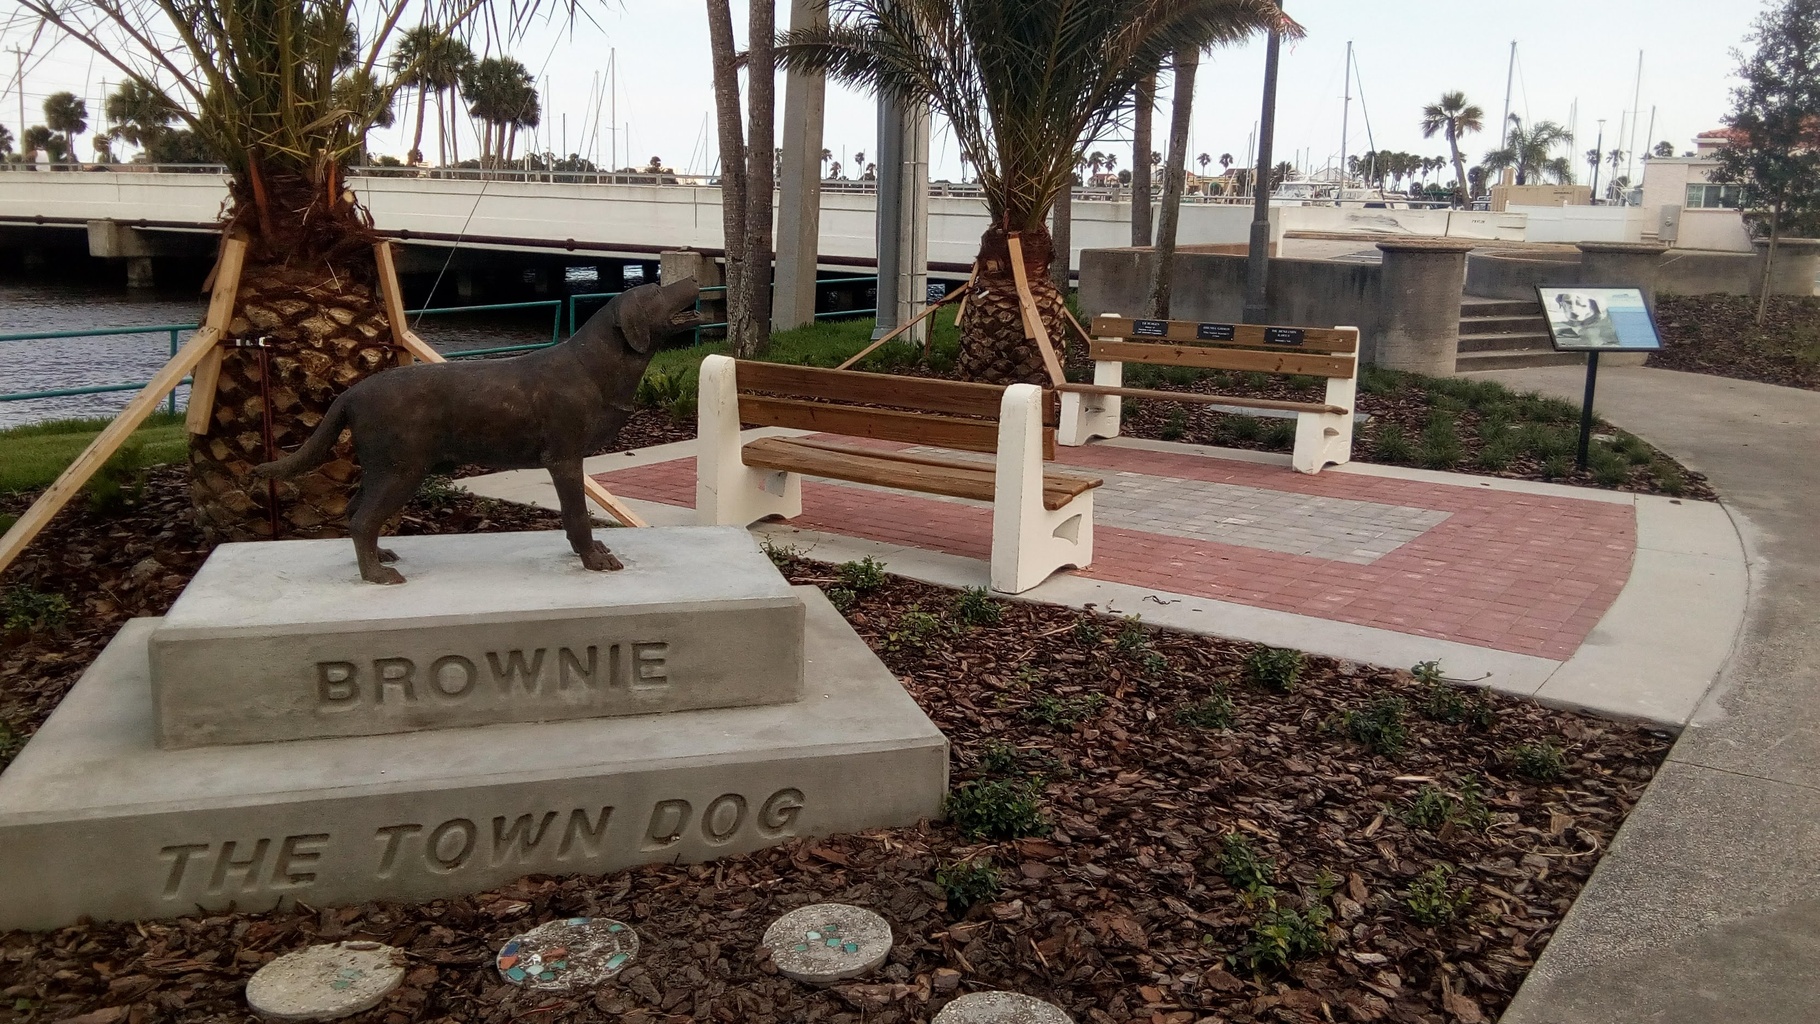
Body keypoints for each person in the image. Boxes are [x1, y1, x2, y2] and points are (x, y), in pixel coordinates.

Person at [1550, 291, 1620, 347]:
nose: (1573, 310)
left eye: (1583, 305)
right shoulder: (1582, 321)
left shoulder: (1599, 324)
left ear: (1595, 306)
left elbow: (1589, 344)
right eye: (1568, 302)